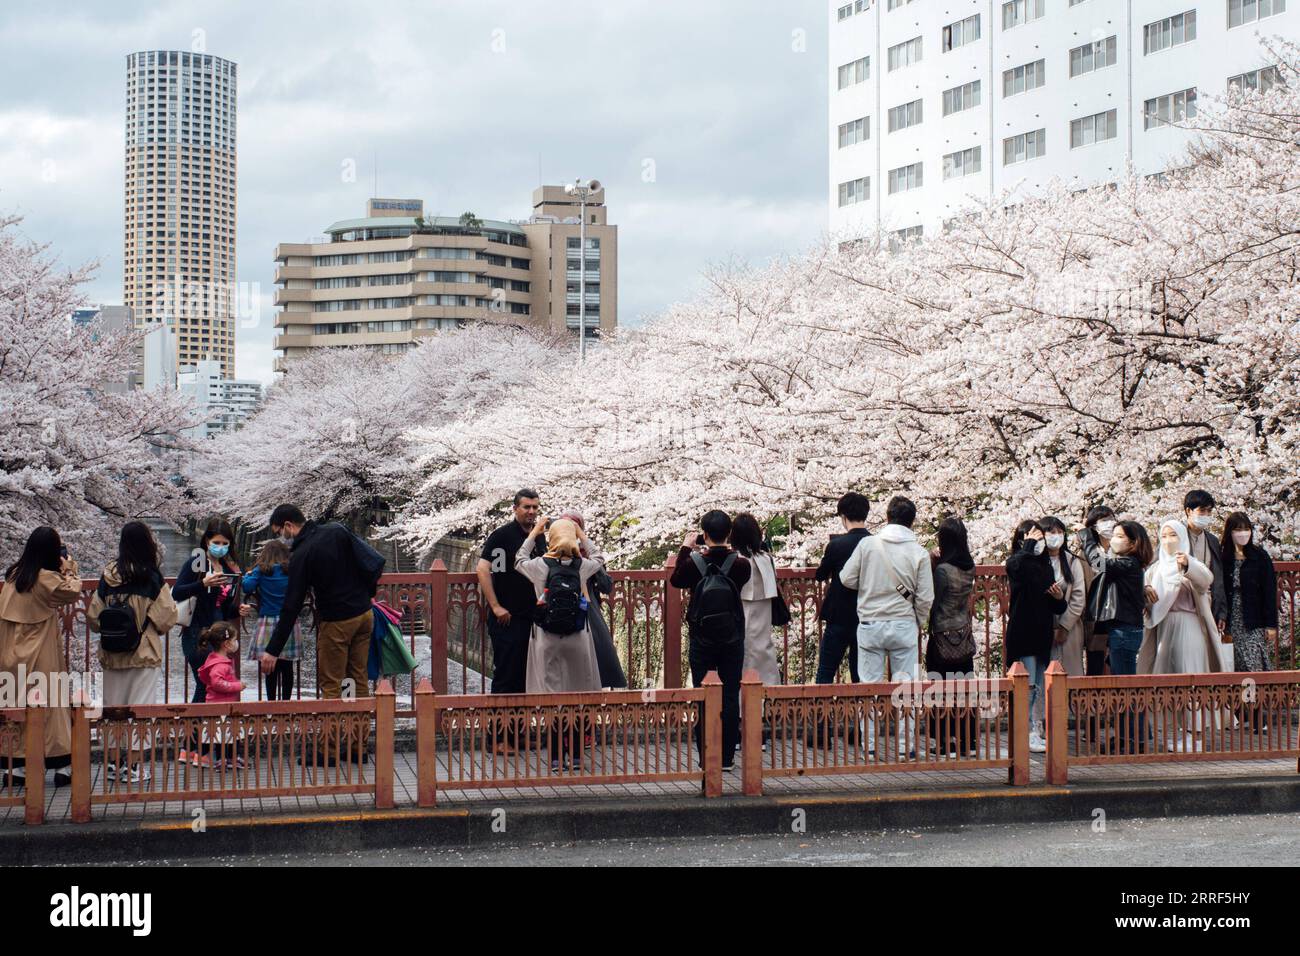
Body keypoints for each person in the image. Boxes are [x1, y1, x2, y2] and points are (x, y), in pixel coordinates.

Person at [258, 504, 385, 704]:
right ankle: (357, 729)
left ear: (288, 525)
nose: (282, 537)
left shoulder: (301, 554)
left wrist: (273, 649)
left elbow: (292, 605)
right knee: (355, 676)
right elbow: (373, 562)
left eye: (279, 532)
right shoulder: (337, 530)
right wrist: (367, 594)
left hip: (337, 622)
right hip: (364, 615)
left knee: (332, 682)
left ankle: (336, 732)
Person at [839, 496, 933, 758]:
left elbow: (846, 578)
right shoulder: (919, 553)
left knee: (868, 687)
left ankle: (869, 747)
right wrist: (918, 622)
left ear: (888, 517)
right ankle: (906, 748)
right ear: (911, 522)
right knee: (906, 688)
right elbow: (926, 597)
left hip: (870, 624)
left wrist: (869, 585)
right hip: (903, 625)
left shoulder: (868, 545)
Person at [86, 521, 178, 783]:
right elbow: (165, 618)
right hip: (143, 654)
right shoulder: (151, 577)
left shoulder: (108, 577)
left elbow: (93, 619)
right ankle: (134, 768)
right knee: (139, 712)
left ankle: (113, 766)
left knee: (113, 712)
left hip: (112, 655)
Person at [514, 517, 604, 771]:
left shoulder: (538, 566)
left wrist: (534, 533)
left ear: (551, 538)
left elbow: (518, 559)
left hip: (546, 638)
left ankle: (555, 758)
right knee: (576, 698)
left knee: (554, 699)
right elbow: (599, 559)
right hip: (577, 638)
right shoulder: (582, 566)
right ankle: (575, 757)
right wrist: (582, 535)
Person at [669, 510, 751, 772]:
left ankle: (707, 756)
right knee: (729, 695)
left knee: (704, 694)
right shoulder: (741, 565)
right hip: (732, 638)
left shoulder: (694, 563)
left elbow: (676, 579)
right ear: (729, 534)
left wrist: (685, 547)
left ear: (704, 534)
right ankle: (727, 757)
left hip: (701, 637)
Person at [0, 527, 80, 788]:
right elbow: (71, 592)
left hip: (11, 653)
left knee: (17, 706)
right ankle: (61, 766)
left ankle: (18, 767)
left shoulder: (14, 576)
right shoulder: (47, 578)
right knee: (52, 708)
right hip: (41, 654)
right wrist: (69, 569)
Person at [1139, 519, 1223, 751]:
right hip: (1164, 628)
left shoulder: (1192, 563)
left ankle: (1195, 735)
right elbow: (1146, 599)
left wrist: (1187, 565)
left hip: (1189, 626)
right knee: (1165, 680)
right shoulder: (1155, 569)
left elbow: (1206, 581)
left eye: (1173, 535)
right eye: (1164, 535)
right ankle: (1173, 732)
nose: (1168, 540)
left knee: (1191, 678)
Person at [1005, 520, 1068, 754]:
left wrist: (1060, 597)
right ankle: (1024, 732)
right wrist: (1028, 546)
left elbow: (1058, 607)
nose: (1040, 543)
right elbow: (1013, 566)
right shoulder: (1019, 564)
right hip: (1023, 632)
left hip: (1042, 633)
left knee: (1038, 686)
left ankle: (1030, 731)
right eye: (1035, 538)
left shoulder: (1044, 567)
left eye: (1041, 538)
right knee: (1027, 686)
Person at [475, 490, 543, 698]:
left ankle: (520, 728)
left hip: (533, 618)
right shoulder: (502, 536)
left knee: (527, 676)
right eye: (526, 507)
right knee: (506, 676)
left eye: (534, 507)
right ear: (515, 509)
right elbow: (483, 569)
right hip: (508, 618)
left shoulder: (539, 538)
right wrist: (495, 606)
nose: (531, 512)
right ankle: (500, 730)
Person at [171, 517, 243, 704]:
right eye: (216, 542)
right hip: (197, 633)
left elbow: (223, 605)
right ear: (206, 542)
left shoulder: (227, 568)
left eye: (225, 543)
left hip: (219, 635)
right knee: (206, 683)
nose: (220, 547)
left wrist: (238, 610)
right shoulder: (197, 563)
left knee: (210, 685)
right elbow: (177, 592)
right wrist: (202, 583)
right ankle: (193, 731)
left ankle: (199, 731)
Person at [1221, 511, 1278, 732]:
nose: (1242, 533)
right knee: (1233, 667)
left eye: (1246, 529)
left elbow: (1269, 590)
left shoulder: (1259, 556)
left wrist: (1271, 625)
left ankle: (1257, 716)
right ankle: (1239, 714)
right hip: (1229, 618)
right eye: (1237, 529)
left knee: (1252, 667)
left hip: (1253, 619)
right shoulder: (1223, 557)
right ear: (1230, 532)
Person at [1100, 520, 1153, 753]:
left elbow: (1098, 562)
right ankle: (1130, 736)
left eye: (1119, 536)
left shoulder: (1128, 563)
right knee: (1124, 685)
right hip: (1124, 630)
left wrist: (1087, 537)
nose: (1114, 539)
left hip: (1124, 631)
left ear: (1133, 542)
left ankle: (1134, 739)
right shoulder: (1131, 564)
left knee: (1126, 687)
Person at [925, 516, 977, 757]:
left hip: (942, 636)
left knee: (940, 688)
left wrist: (933, 565)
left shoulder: (943, 571)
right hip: (963, 634)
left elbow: (933, 601)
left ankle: (944, 739)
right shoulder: (970, 566)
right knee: (965, 688)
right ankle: (968, 739)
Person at [558, 510, 625, 689]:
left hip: (587, 612)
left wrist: (591, 563)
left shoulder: (588, 557)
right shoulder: (550, 554)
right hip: (557, 613)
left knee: (596, 659)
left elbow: (606, 586)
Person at [813, 492, 869, 684]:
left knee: (826, 670)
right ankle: (860, 713)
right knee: (859, 674)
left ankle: (822, 712)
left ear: (843, 517)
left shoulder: (836, 545)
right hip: (866, 615)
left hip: (838, 615)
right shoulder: (876, 545)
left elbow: (820, 574)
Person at [241, 539, 299, 701]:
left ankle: (271, 703)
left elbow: (247, 587)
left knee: (269, 666)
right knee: (287, 666)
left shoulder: (262, 570)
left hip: (267, 620)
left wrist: (248, 575)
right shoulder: (291, 571)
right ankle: (287, 703)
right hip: (289, 622)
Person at [1181, 489, 1229, 669]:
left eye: (1209, 511)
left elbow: (1218, 577)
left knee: (1206, 654)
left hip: (1207, 603)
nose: (1207, 515)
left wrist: (1221, 611)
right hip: (1183, 604)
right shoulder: (1175, 534)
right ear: (1188, 511)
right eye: (1202, 511)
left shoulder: (1212, 540)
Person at [731, 513, 781, 685]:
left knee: (743, 652)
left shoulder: (735, 560)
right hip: (764, 607)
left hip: (740, 608)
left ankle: (741, 701)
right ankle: (770, 695)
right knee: (764, 648)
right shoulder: (767, 559)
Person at [195, 621, 245, 769]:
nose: (236, 643)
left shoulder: (214, 660)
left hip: (221, 705)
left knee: (225, 734)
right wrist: (238, 686)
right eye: (234, 640)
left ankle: (229, 758)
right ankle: (224, 759)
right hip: (222, 705)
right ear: (227, 644)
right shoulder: (220, 665)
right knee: (223, 734)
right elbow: (217, 683)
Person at [1042, 516, 1087, 678]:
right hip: (1042, 627)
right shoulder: (1036, 562)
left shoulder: (1073, 562)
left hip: (1069, 628)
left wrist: (1064, 627)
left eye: (1060, 532)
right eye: (1051, 532)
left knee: (1070, 674)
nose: (1056, 535)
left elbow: (1078, 598)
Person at [1075, 505, 1118, 676]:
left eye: (1111, 519)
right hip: (1096, 616)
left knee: (1118, 663)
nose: (1109, 524)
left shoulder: (1122, 550)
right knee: (1096, 665)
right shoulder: (1084, 555)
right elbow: (1099, 567)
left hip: (1118, 614)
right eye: (1103, 521)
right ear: (1093, 526)